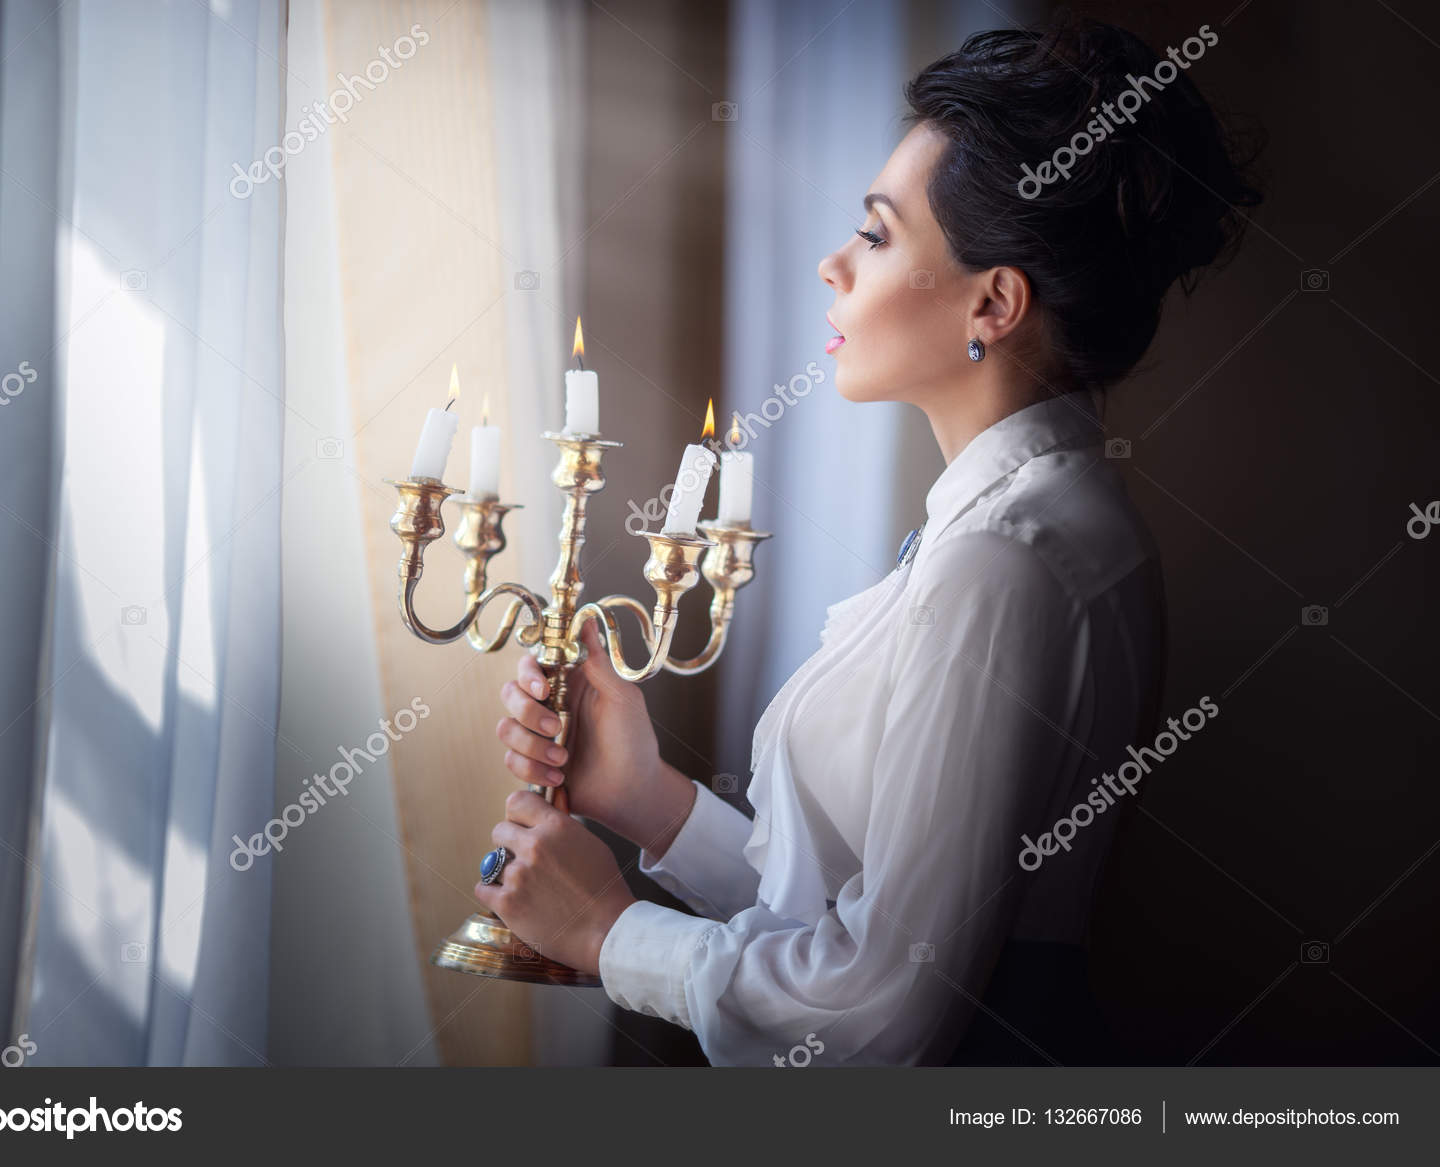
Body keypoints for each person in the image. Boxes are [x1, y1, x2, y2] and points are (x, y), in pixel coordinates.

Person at [474, 12, 1261, 1065]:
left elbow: (886, 1005)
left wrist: (605, 932)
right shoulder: (1013, 524)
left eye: (878, 234)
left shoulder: (1010, 559)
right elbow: (873, 907)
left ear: (993, 301)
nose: (831, 265)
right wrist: (650, 800)